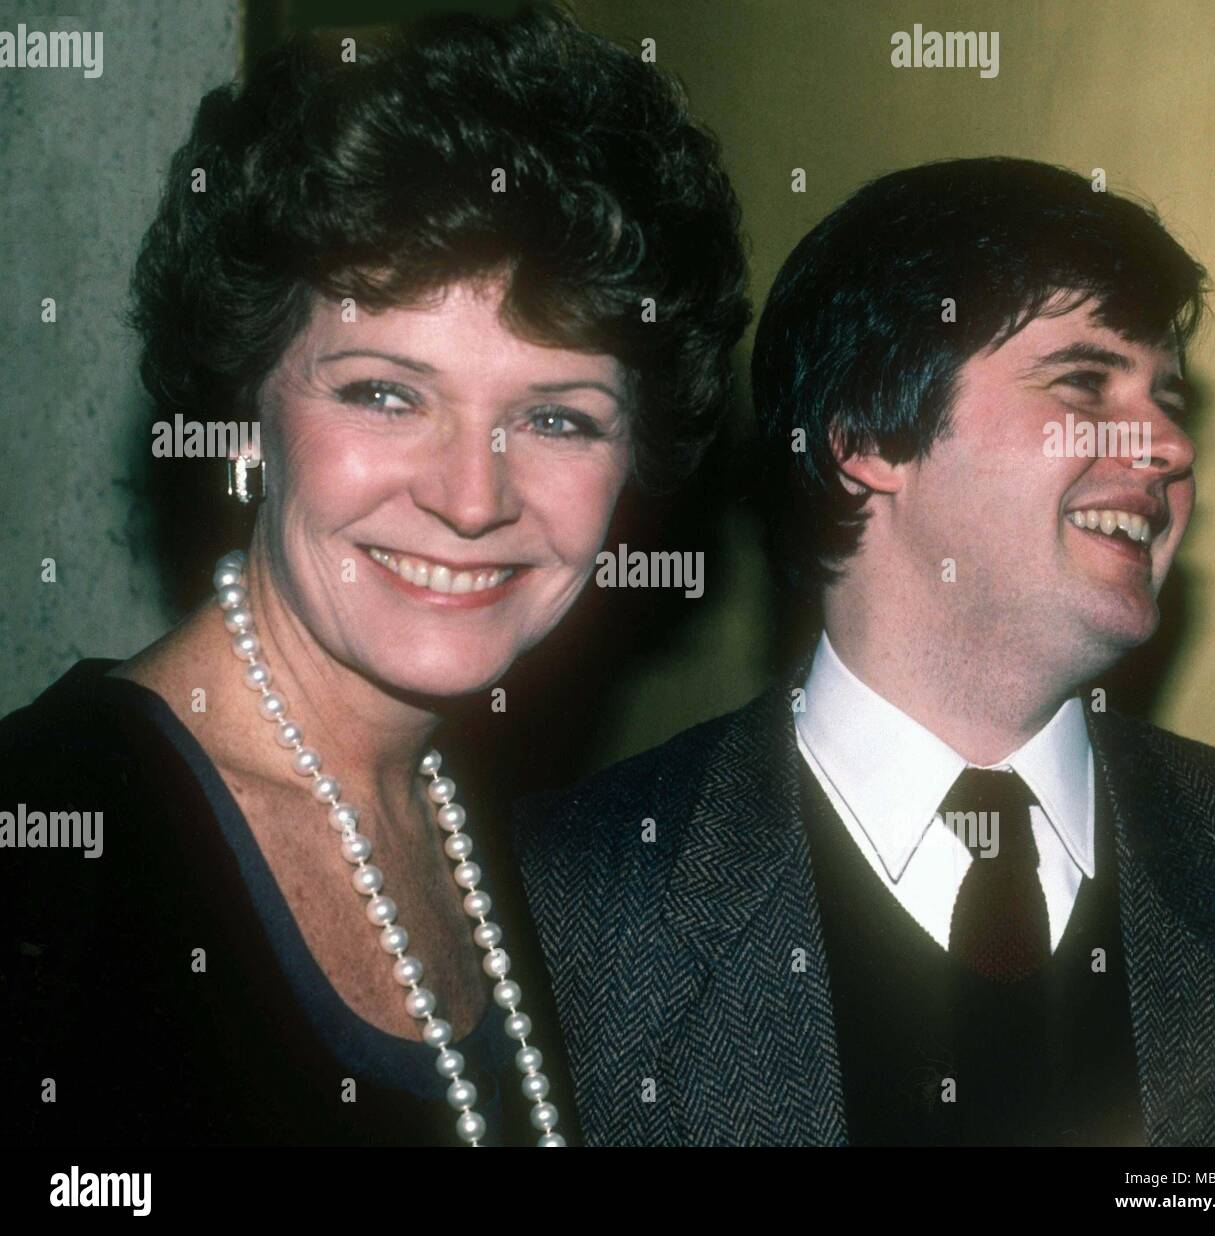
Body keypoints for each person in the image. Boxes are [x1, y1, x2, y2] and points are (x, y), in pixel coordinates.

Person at [0, 5, 749, 1147]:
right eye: (385, 394)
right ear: (247, 413)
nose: (471, 497)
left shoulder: (528, 851)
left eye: (556, 417)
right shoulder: (50, 857)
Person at [514, 157, 1215, 1147]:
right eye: (1084, 383)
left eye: (1169, 401)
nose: (1167, 447)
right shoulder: (564, 903)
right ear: (866, 438)